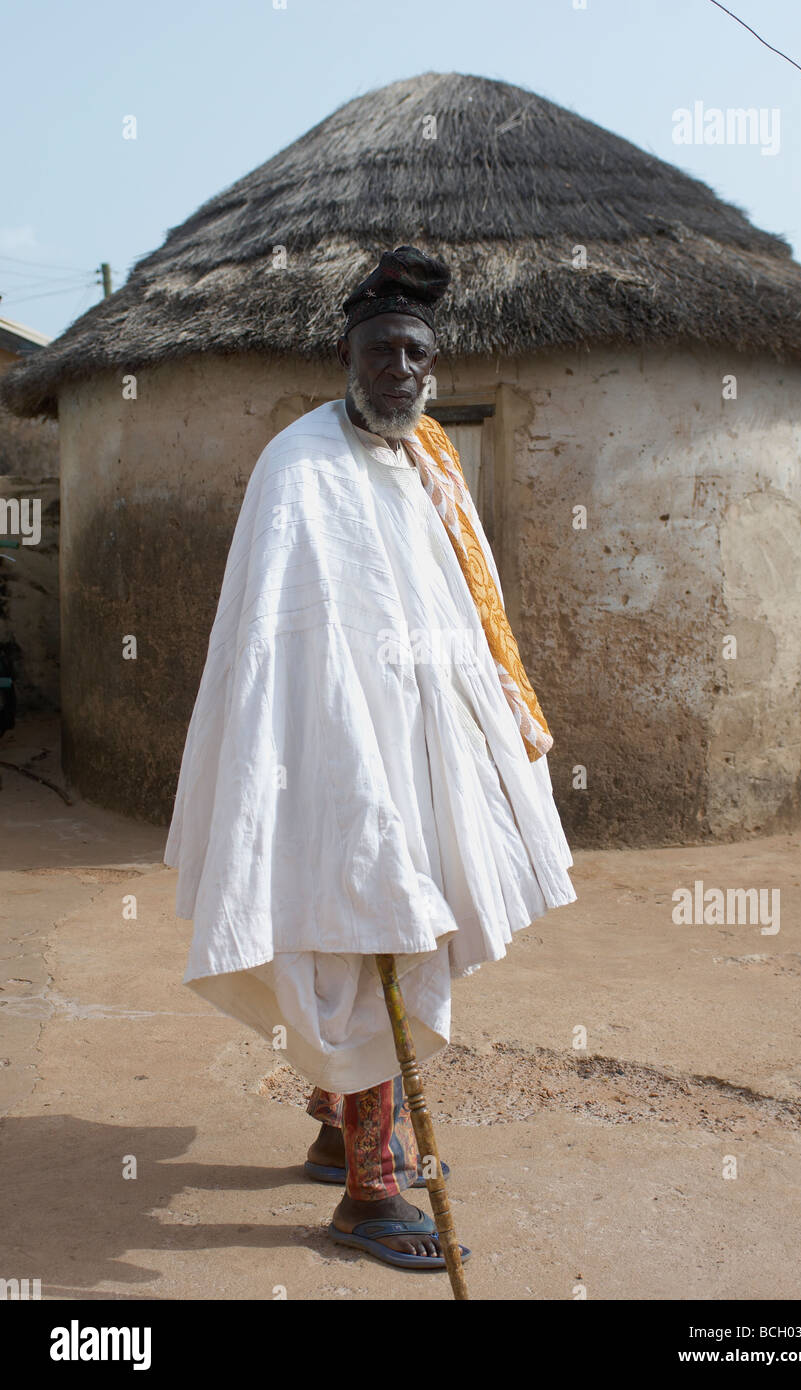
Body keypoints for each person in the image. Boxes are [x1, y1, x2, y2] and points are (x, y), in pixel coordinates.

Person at [164, 246, 576, 1271]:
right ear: (344, 352)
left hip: (417, 744)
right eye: (383, 350)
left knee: (370, 933)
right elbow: (283, 638)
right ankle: (369, 1194)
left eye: (417, 356)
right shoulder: (297, 467)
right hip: (321, 762)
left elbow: (448, 614)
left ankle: (328, 1124)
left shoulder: (423, 460)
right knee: (367, 932)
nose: (400, 371)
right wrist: (354, 777)